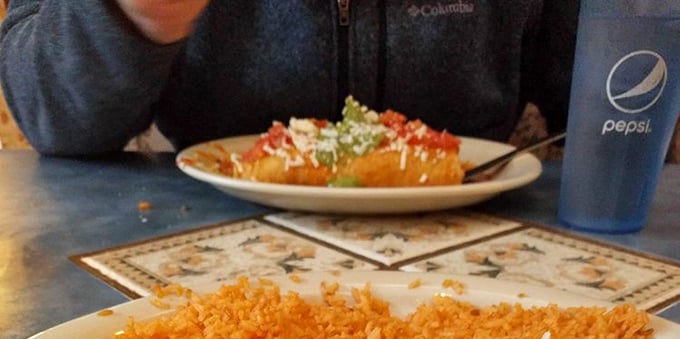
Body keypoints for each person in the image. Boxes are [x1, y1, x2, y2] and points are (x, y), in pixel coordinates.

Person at [0, 0, 580, 157]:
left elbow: (606, 104)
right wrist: (130, 16)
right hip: (193, 234)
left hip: (485, 240)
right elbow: (53, 120)